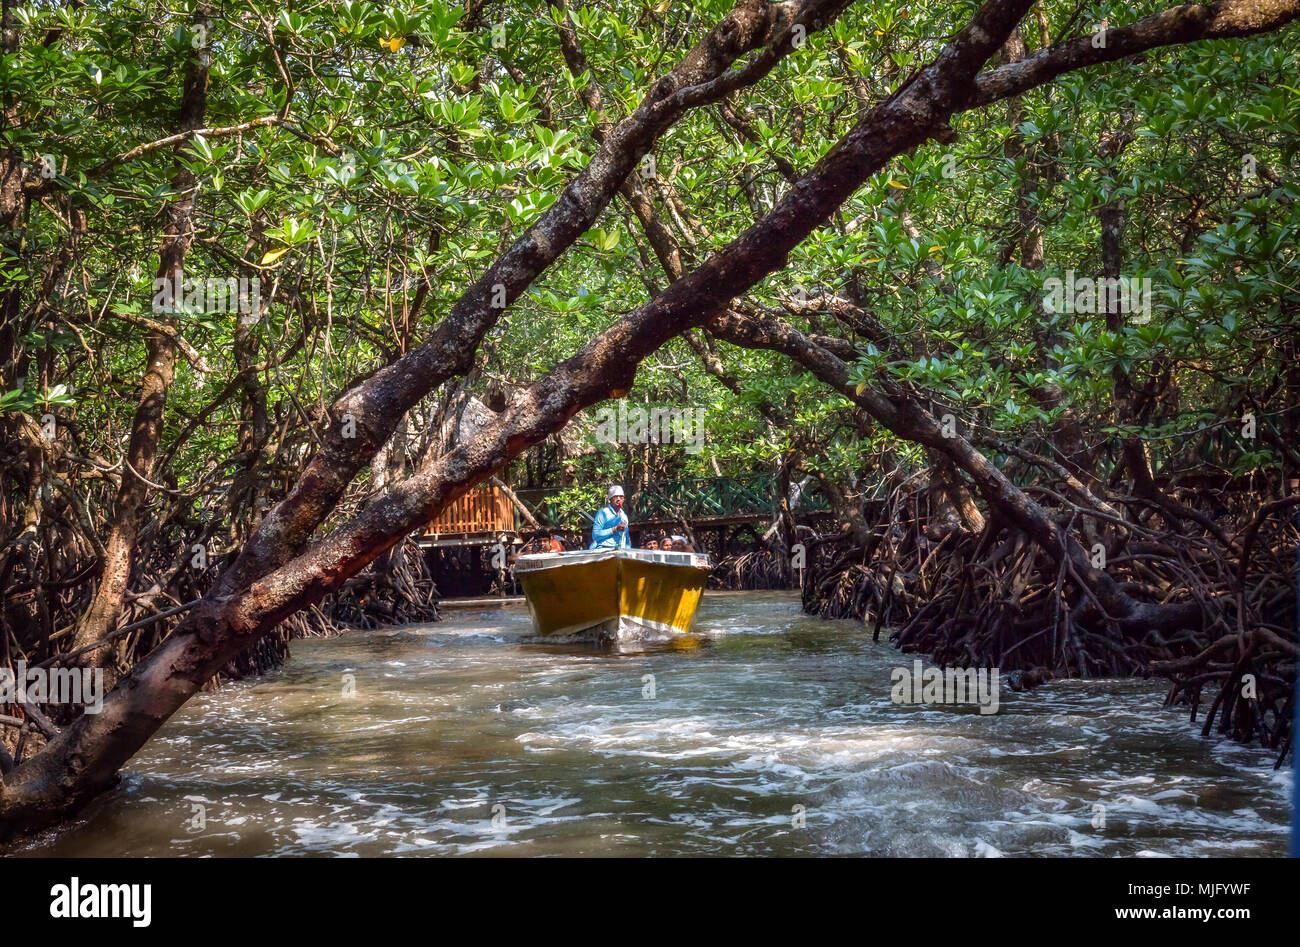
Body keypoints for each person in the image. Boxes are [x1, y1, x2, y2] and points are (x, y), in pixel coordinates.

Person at [589, 485, 631, 549]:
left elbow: (626, 538)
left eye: (621, 497)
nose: (618, 499)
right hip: (604, 550)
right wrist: (614, 529)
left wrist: (628, 551)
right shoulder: (603, 513)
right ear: (610, 499)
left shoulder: (624, 516)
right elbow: (595, 535)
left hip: (619, 551)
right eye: (615, 497)